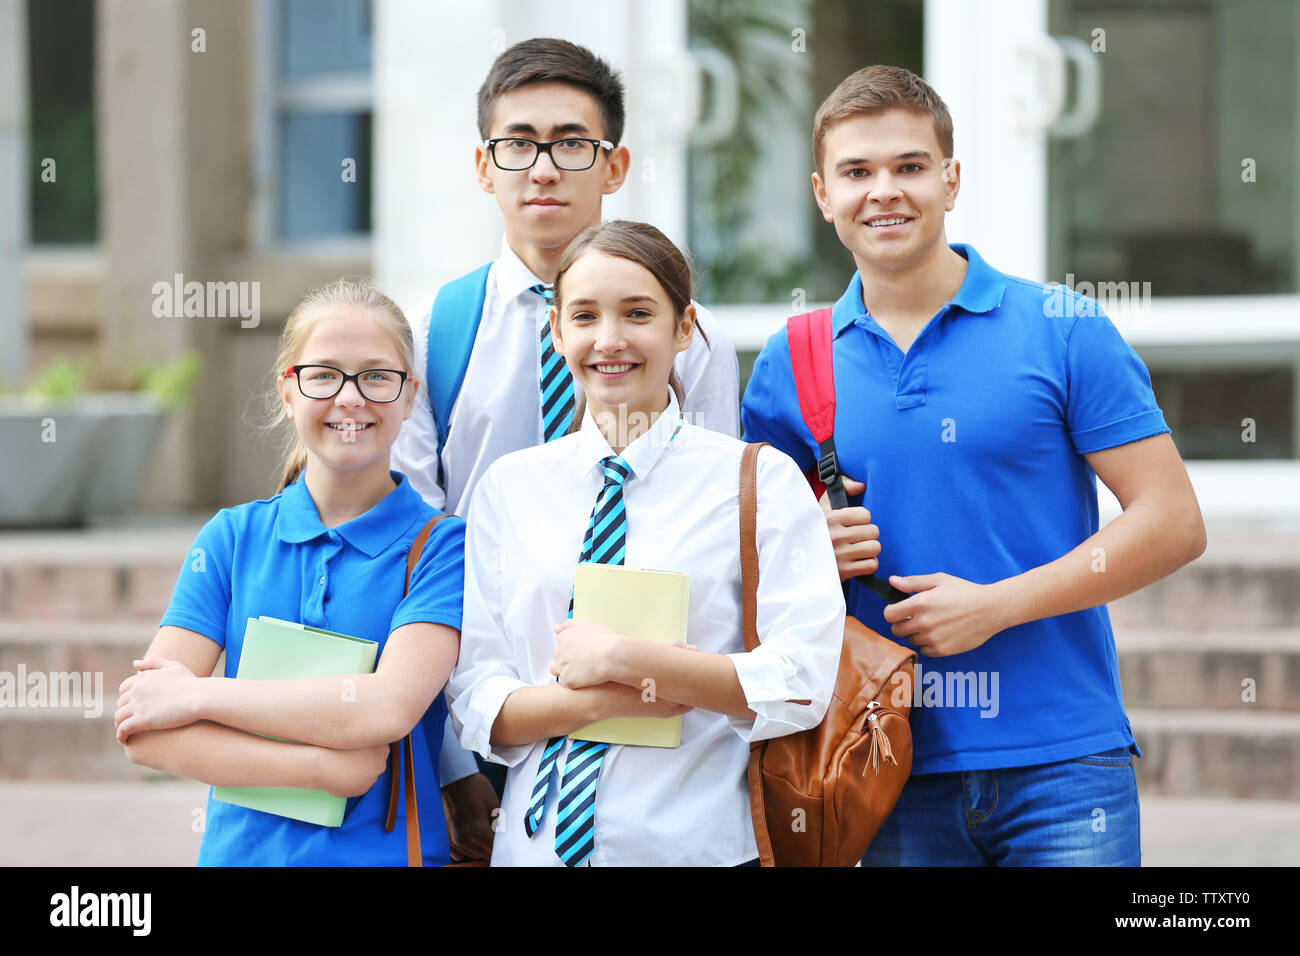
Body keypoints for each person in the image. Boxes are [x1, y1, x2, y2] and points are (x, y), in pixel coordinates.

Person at [742, 65, 1208, 866]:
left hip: (1062, 762)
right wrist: (808, 544)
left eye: (909, 166)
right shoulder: (793, 361)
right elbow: (746, 565)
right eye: (857, 172)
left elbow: (1172, 524)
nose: (883, 190)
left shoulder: (1062, 328)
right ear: (823, 194)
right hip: (878, 759)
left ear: (950, 180)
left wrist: (998, 605)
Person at [390, 37, 742, 847]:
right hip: (487, 704)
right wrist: (452, 760)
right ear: (485, 166)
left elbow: (715, 521)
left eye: (570, 144)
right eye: (517, 144)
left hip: (661, 711)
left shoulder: (698, 341)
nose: (542, 169)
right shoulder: (433, 334)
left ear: (614, 166)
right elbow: (422, 556)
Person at [444, 220, 843, 866]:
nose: (609, 340)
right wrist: (620, 694)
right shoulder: (509, 490)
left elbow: (801, 681)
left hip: (692, 847)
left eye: (637, 313)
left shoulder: (758, 482)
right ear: (556, 331)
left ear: (684, 329)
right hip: (534, 851)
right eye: (584, 316)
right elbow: (478, 699)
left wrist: (626, 657)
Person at [114, 278, 466, 866]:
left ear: (410, 396)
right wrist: (320, 768)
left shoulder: (442, 547)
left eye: (377, 376)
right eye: (324, 374)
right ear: (288, 391)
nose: (350, 398)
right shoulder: (231, 538)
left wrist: (198, 697)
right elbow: (146, 728)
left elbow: (387, 708)